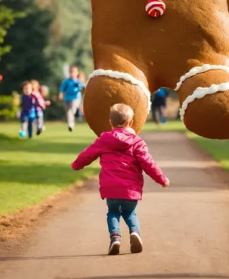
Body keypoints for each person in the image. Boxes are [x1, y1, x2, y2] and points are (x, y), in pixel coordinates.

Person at [70, 103, 170, 255]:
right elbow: (148, 163)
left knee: (113, 213)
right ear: (130, 123)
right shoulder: (137, 142)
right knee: (130, 213)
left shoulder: (104, 140)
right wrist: (162, 179)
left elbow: (87, 155)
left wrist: (76, 165)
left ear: (110, 123)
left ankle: (115, 237)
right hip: (131, 190)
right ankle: (134, 232)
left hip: (111, 188)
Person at [59, 66, 85, 131]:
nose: (72, 74)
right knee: (68, 112)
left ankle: (76, 114)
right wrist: (61, 94)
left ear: (77, 73)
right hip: (67, 99)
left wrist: (83, 87)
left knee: (71, 110)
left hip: (76, 98)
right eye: (71, 72)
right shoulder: (67, 81)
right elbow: (62, 88)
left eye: (74, 72)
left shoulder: (78, 81)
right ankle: (71, 124)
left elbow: (84, 87)